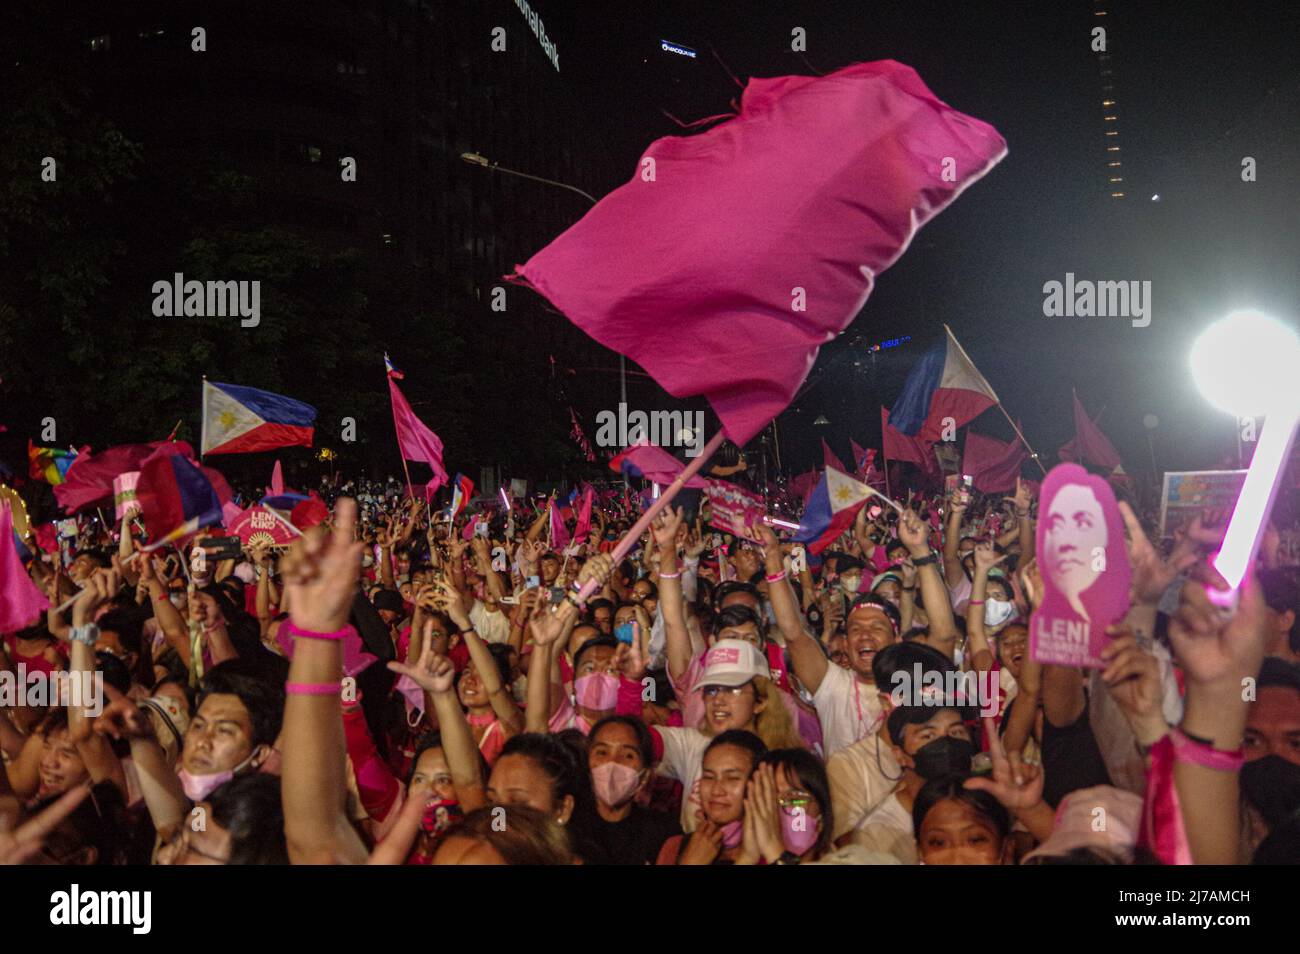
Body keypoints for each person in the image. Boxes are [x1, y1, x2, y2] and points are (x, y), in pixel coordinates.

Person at [581, 715, 680, 864]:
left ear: (645, 775)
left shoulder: (663, 832)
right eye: (602, 752)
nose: (612, 762)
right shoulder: (568, 828)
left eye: (628, 755)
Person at [656, 730, 766, 865]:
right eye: (709, 777)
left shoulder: (775, 852)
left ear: (760, 783)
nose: (716, 790)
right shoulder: (675, 847)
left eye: (732, 778)